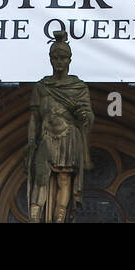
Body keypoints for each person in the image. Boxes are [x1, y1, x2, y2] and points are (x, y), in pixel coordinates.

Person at [25, 31, 94, 222]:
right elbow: (34, 117)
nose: (59, 61)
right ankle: (34, 216)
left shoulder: (78, 87)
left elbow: (88, 116)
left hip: (68, 137)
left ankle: (59, 219)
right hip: (47, 137)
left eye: (63, 57)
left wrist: (83, 115)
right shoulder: (42, 86)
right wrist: (31, 140)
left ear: (69, 60)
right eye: (55, 57)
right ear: (50, 59)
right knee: (40, 177)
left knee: (64, 180)